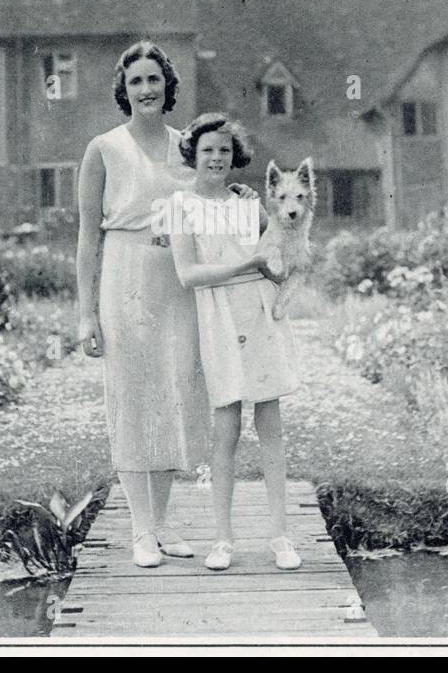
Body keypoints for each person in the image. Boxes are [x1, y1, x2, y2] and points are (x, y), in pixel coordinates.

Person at [76, 41, 238, 568]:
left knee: (175, 395)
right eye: (135, 82)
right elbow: (86, 237)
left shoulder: (188, 147)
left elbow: (211, 210)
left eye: (153, 79)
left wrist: (247, 210)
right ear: (124, 92)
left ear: (168, 85)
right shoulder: (104, 148)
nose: (146, 89)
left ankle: (162, 523)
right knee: (132, 398)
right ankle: (140, 530)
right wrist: (85, 313)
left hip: (178, 284)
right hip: (125, 279)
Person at [167, 113, 303, 572]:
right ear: (194, 154)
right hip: (219, 317)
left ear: (235, 156)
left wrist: (277, 263)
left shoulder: (247, 203)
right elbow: (188, 274)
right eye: (208, 150)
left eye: (225, 150)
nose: (217, 158)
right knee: (224, 429)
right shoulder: (180, 205)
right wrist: (247, 265)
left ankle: (281, 535)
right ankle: (222, 538)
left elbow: (278, 256)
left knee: (271, 427)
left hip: (260, 315)